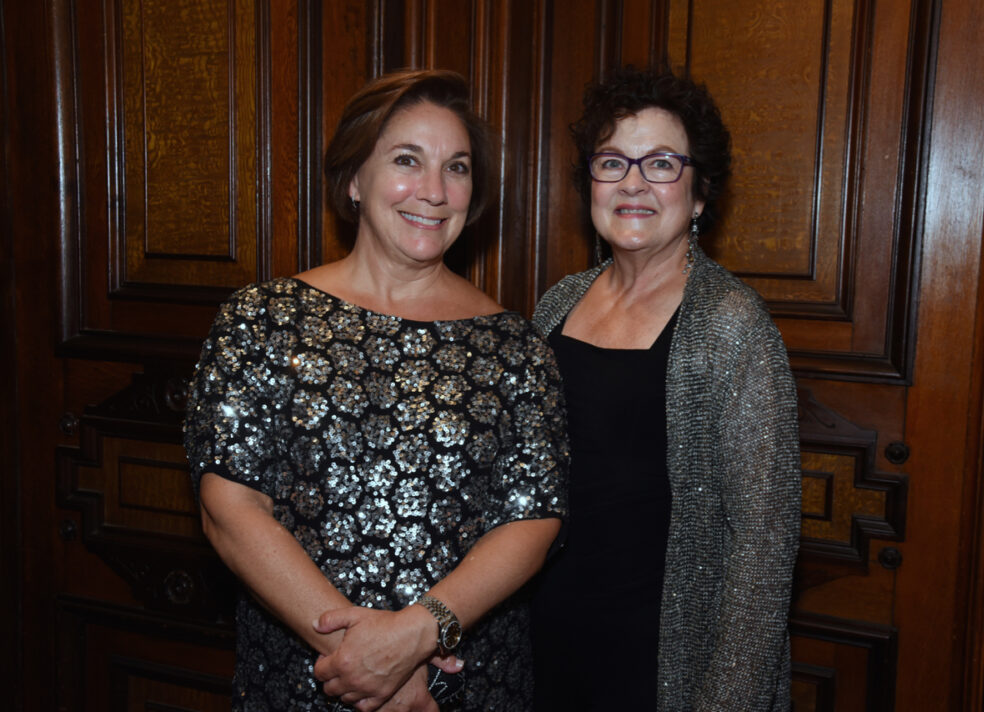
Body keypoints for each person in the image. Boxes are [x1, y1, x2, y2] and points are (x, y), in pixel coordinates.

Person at [184, 69, 568, 712]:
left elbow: (533, 520)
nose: (434, 191)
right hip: (306, 678)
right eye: (407, 160)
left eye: (457, 168)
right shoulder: (262, 319)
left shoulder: (517, 346)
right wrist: (362, 660)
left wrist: (420, 634)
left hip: (465, 685)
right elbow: (230, 509)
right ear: (355, 178)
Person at [530, 66, 801, 711]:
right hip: (546, 642)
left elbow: (763, 551)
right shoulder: (556, 304)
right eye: (612, 162)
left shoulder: (733, 326)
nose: (632, 184)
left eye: (660, 164)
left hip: (665, 664)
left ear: (700, 192)